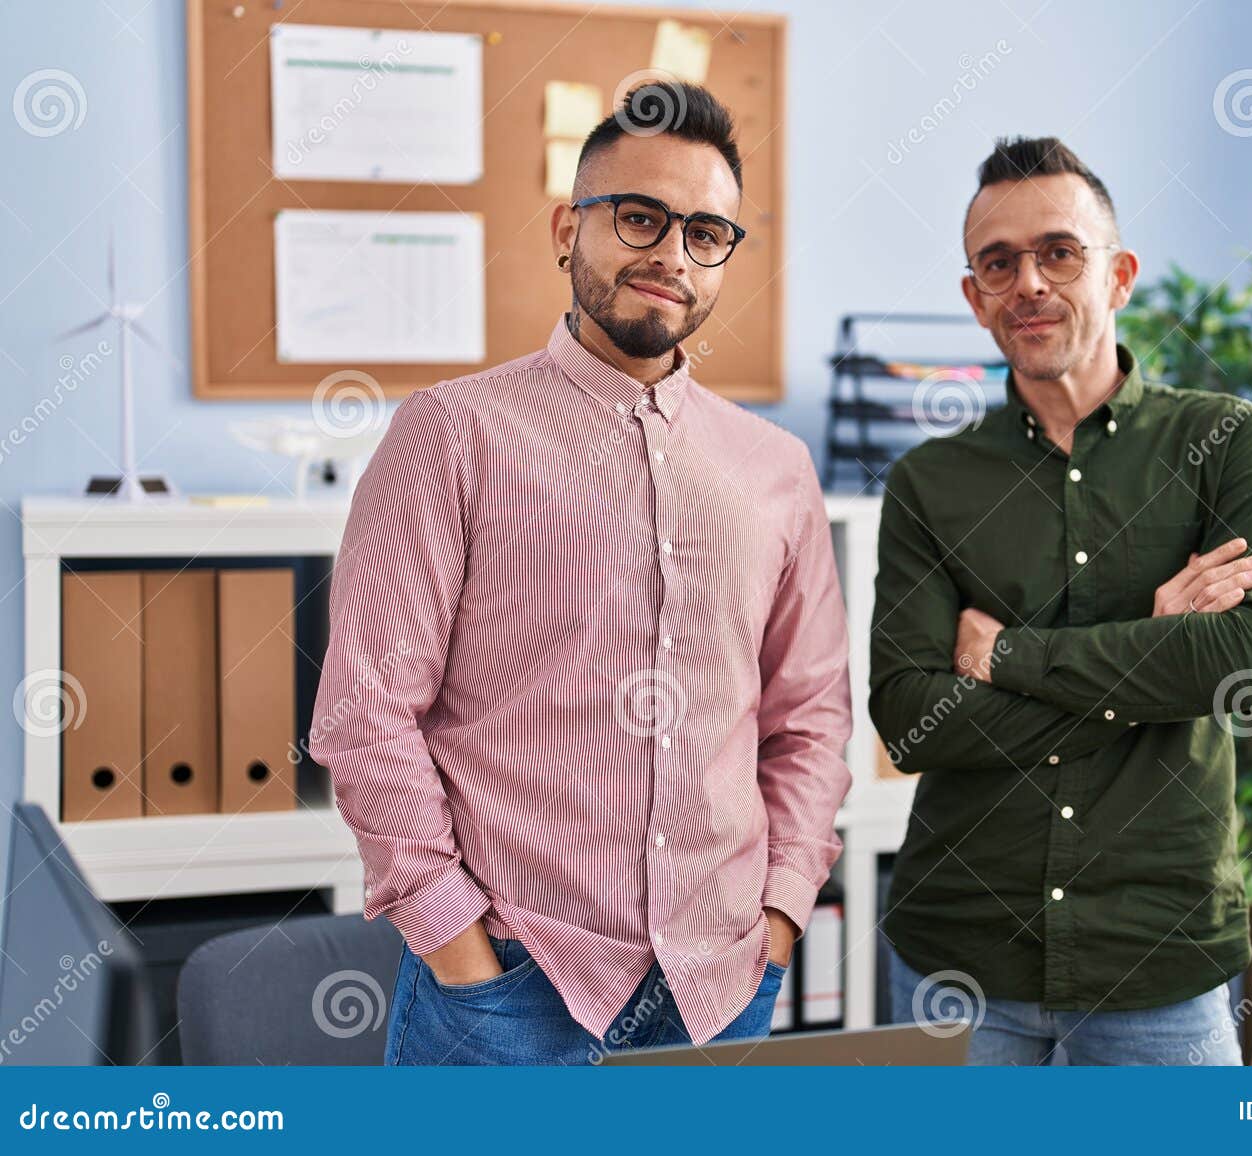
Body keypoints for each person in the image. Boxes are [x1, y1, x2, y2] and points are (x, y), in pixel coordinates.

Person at [310, 84, 852, 1065]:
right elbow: (365, 708)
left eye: (705, 232)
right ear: (569, 228)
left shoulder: (776, 468)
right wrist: (456, 946)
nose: (670, 255)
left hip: (722, 989)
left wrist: (779, 914)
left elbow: (809, 712)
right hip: (507, 984)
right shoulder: (451, 434)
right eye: (639, 217)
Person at [869, 136, 1252, 1065]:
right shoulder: (929, 482)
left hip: (1159, 959)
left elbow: (1230, 663)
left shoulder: (1227, 441)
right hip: (961, 958)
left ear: (1120, 275)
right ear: (974, 297)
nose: (1029, 281)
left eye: (1059, 251)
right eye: (999, 262)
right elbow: (911, 723)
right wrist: (1146, 652)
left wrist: (1006, 657)